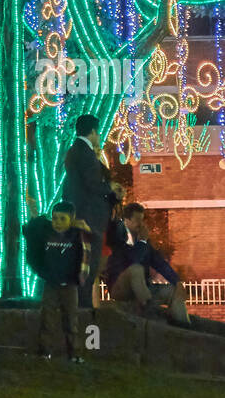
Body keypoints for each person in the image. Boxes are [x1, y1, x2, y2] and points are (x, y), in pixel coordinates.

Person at [62, 114, 120, 310]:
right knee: (88, 264)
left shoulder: (72, 152)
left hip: (78, 214)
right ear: (93, 132)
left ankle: (80, 304)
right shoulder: (85, 154)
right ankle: (84, 307)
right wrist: (111, 188)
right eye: (98, 132)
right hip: (89, 217)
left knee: (82, 263)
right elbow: (93, 184)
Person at [23, 200, 91, 362]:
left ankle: (74, 353)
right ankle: (45, 352)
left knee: (71, 321)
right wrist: (36, 215)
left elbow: (89, 244)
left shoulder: (77, 236)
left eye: (62, 219)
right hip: (51, 283)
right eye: (55, 218)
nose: (58, 223)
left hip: (70, 285)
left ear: (71, 219)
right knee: (48, 319)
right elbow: (30, 232)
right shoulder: (46, 233)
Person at [105, 202, 190, 325]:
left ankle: (183, 325)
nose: (141, 224)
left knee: (173, 291)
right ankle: (148, 311)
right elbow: (134, 259)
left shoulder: (142, 241)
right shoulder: (118, 237)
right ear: (127, 220)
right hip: (121, 288)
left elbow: (159, 263)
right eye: (137, 220)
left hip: (143, 288)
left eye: (142, 220)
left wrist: (177, 282)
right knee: (136, 269)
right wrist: (142, 241)